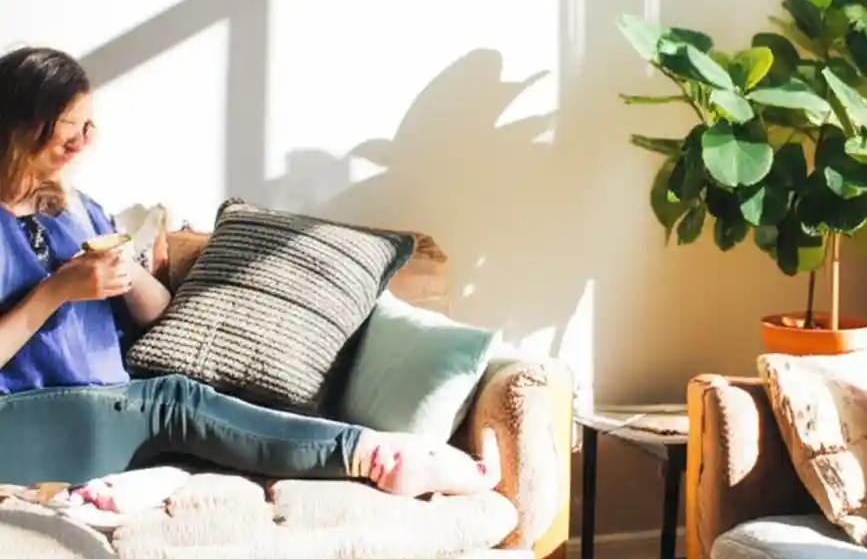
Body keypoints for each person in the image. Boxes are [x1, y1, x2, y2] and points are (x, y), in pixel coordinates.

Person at [0, 47, 498, 514]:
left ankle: (141, 477)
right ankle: (380, 458)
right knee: (174, 403)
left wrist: (128, 272)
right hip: (20, 417)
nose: (84, 142)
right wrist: (57, 291)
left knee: (178, 396)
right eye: (68, 128)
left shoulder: (79, 209)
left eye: (90, 125)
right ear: (20, 126)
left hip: (102, 400)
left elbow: (153, 314)